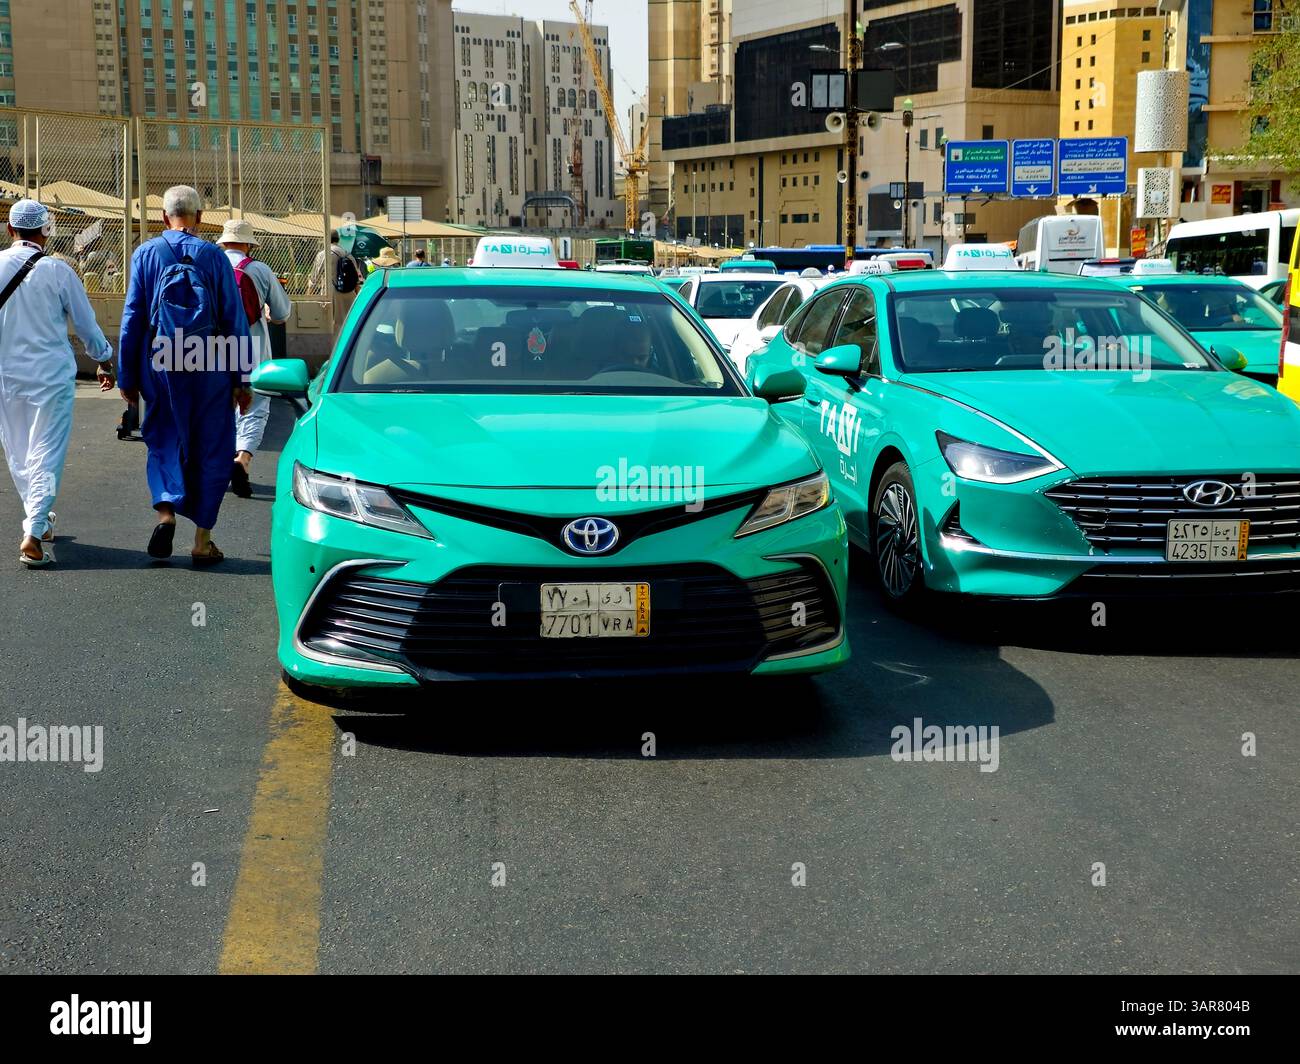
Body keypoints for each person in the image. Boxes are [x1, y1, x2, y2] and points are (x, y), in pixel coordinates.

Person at [118, 185, 252, 567]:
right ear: (200, 216)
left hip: (161, 358)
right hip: (209, 360)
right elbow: (233, 319)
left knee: (163, 435)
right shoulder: (215, 258)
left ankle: (166, 513)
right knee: (212, 444)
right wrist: (242, 379)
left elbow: (132, 319)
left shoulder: (145, 254)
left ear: (164, 217)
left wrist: (128, 375)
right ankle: (202, 540)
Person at [0, 199, 114, 568]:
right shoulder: (58, 272)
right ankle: (33, 532)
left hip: (6, 375)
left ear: (9, 230)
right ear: (46, 232)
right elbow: (85, 325)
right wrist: (104, 359)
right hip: (50, 377)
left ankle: (39, 518)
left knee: (18, 451)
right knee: (46, 451)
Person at [216, 218, 292, 498]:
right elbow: (282, 313)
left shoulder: (210, 265)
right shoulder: (259, 269)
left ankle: (218, 463)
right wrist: (269, 313)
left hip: (212, 351)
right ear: (249, 244)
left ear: (223, 242)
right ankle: (243, 458)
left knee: (219, 408)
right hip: (253, 350)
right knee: (255, 407)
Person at [307, 229, 363, 343]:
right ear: (338, 239)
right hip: (349, 293)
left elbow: (314, 278)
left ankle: (333, 354)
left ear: (326, 239)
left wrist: (308, 296)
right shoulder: (348, 254)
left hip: (331, 293)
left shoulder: (324, 254)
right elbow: (357, 280)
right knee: (347, 323)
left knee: (331, 326)